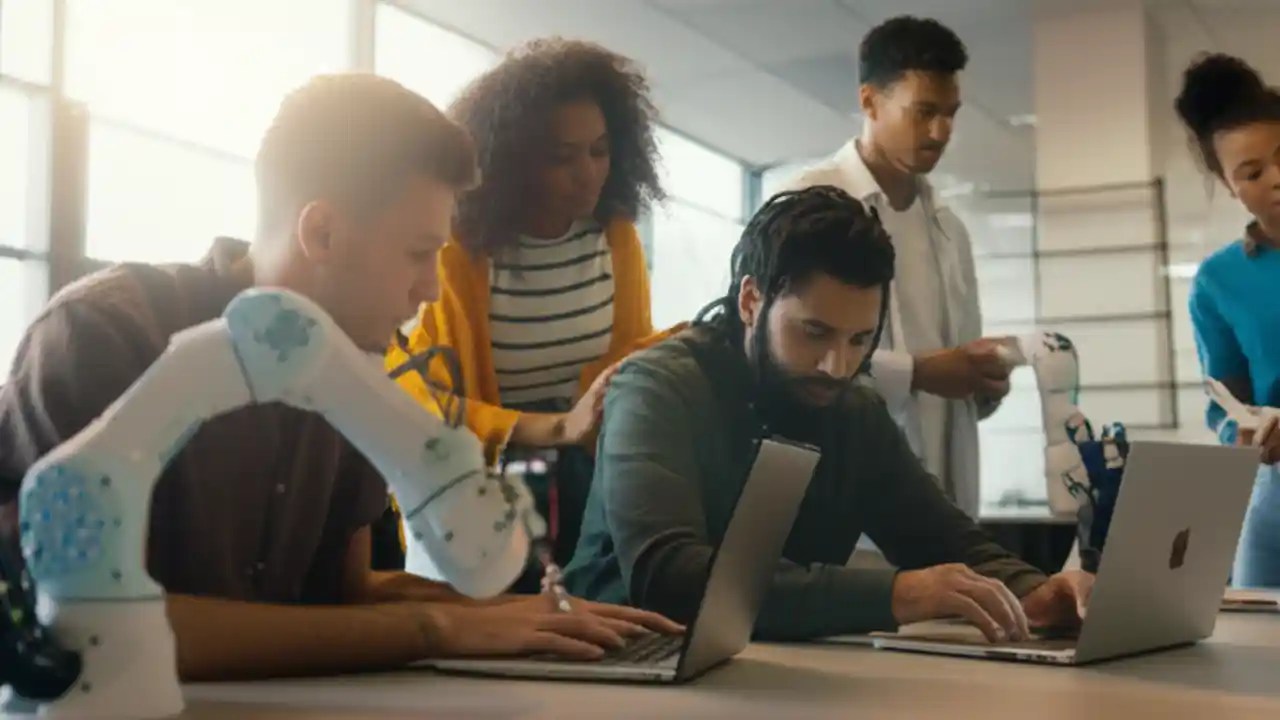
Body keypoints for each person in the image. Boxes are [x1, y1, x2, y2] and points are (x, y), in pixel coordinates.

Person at [0, 74, 678, 682]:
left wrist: (531, 614)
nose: (429, 292)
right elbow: (88, 627)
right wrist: (436, 627)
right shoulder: (102, 337)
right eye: (419, 254)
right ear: (321, 233)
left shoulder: (353, 368)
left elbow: (349, 587)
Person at [564, 186, 1090, 642]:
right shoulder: (656, 388)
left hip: (769, 674)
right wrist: (900, 594)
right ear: (751, 300)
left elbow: (949, 541)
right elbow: (670, 579)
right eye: (813, 332)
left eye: (860, 339)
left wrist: (1041, 590)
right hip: (620, 669)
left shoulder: (852, 408)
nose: (837, 366)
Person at [387, 38, 669, 573]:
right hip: (482, 503)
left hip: (588, 494)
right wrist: (551, 428)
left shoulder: (616, 237)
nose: (587, 173)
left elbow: (627, 353)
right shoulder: (460, 252)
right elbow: (423, 397)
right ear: (511, 162)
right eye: (561, 157)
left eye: (600, 150)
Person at [782, 16, 1011, 517]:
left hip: (944, 510)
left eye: (951, 114)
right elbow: (779, 354)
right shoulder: (808, 202)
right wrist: (919, 374)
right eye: (923, 112)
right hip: (844, 505)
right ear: (869, 101)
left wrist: (985, 384)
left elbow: (958, 377)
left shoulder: (950, 230)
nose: (941, 132)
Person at [1177, 53, 1280, 588]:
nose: (1277, 179)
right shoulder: (1220, 280)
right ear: (1227, 184)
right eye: (1253, 172)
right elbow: (1225, 404)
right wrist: (1248, 430)